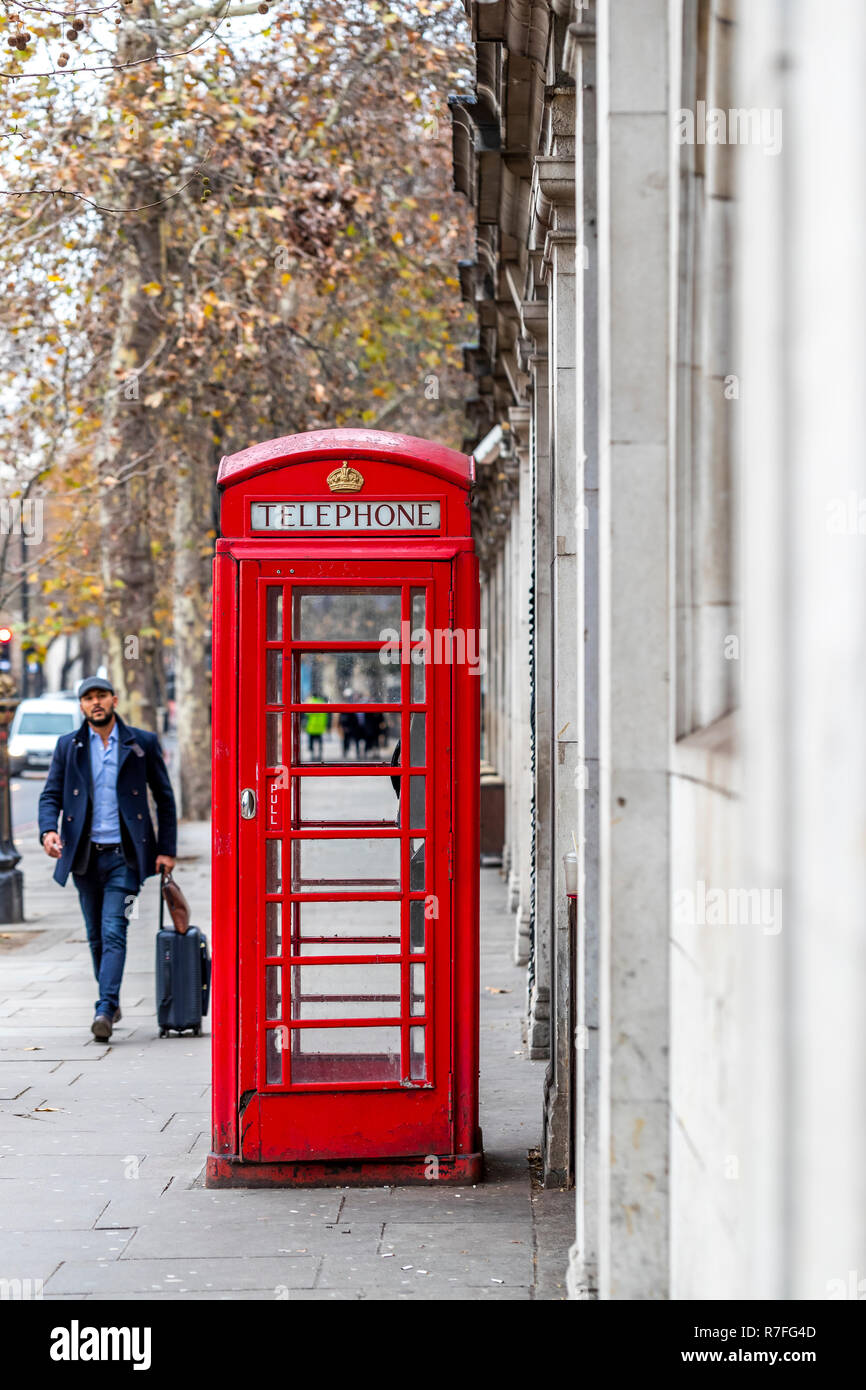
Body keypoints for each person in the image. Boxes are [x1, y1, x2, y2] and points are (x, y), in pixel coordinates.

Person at [38, 676, 177, 1040]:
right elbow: (50, 795)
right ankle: (111, 1001)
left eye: (101, 696)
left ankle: (104, 1008)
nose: (95, 703)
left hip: (127, 859)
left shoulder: (141, 743)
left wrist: (167, 850)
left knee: (116, 929)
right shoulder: (68, 746)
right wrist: (47, 832)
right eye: (88, 698)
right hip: (84, 857)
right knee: (95, 936)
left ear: (114, 699)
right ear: (81, 705)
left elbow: (164, 798)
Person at [305, 692, 329, 761]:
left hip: (312, 725)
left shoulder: (311, 702)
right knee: (319, 740)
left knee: (311, 740)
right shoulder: (322, 702)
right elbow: (326, 714)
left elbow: (307, 713)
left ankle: (312, 754)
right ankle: (320, 753)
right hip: (320, 726)